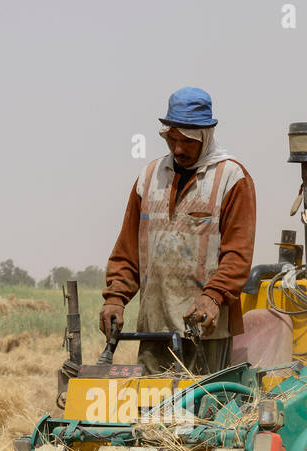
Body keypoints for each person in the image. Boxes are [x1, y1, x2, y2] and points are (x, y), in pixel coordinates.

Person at [99, 87, 256, 374]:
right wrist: (116, 297)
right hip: (153, 328)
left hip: (204, 329)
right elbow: (127, 252)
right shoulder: (148, 178)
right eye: (172, 139)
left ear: (206, 136)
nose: (179, 149)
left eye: (187, 141)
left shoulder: (231, 178)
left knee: (203, 413)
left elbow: (238, 255)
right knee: (148, 414)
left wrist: (213, 296)